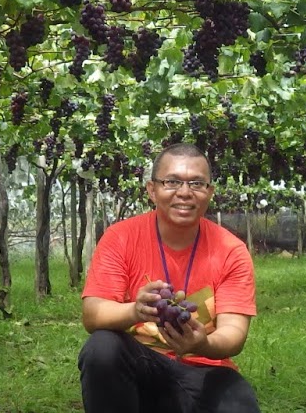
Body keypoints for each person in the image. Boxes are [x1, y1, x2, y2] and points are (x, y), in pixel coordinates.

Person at [79, 142, 261, 413]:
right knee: (102, 348)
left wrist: (203, 343)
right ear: (152, 190)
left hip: (204, 370)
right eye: (172, 182)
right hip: (139, 366)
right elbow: (92, 315)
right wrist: (135, 310)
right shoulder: (121, 238)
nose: (185, 193)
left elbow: (234, 333)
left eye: (197, 184)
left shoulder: (230, 250)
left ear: (209, 193)